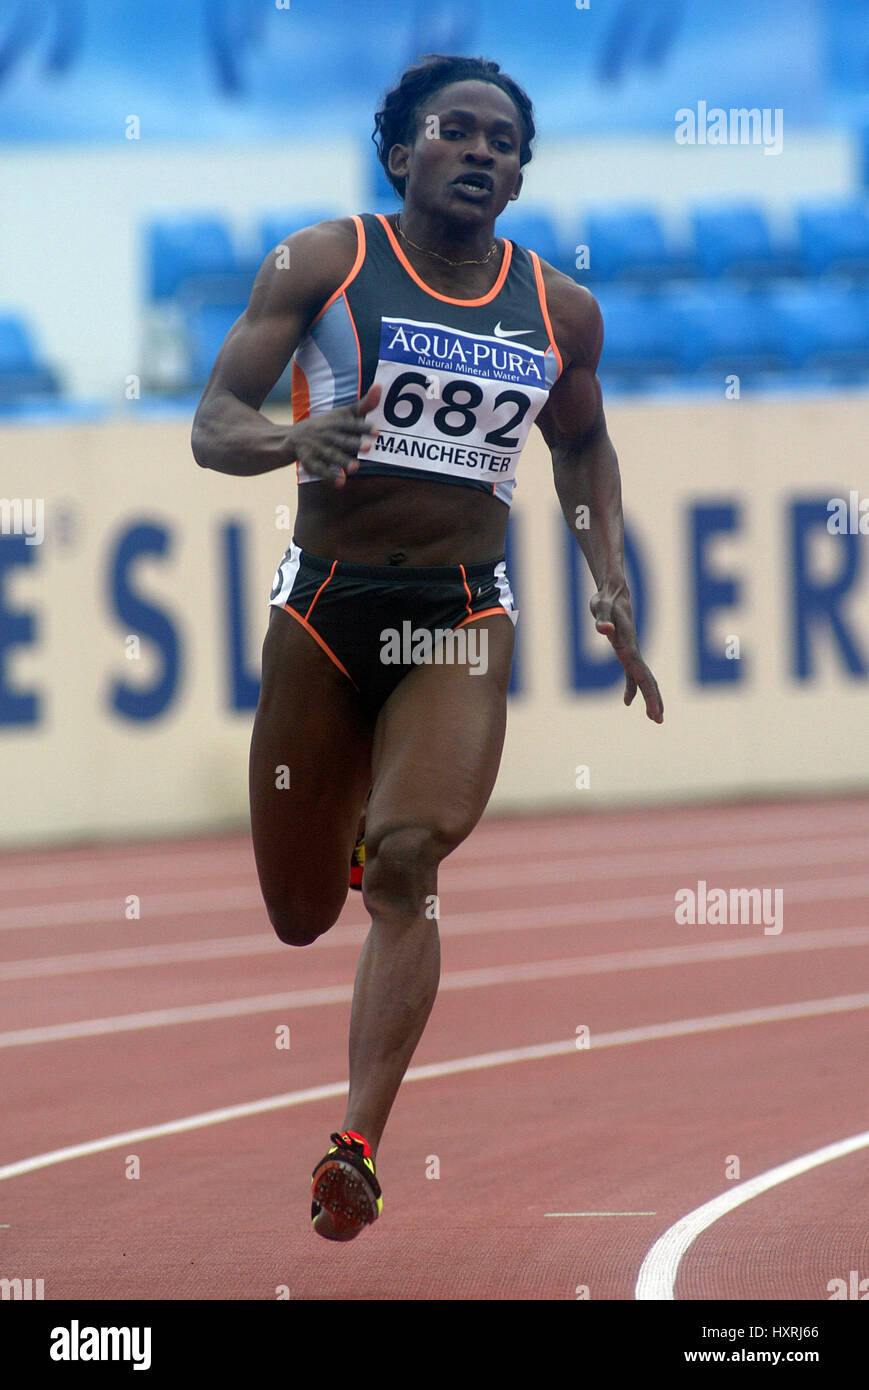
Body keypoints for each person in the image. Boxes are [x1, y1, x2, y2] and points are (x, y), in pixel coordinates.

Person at [191, 53, 663, 1242]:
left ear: (516, 176)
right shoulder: (324, 262)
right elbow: (213, 425)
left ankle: (355, 1143)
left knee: (408, 862)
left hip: (456, 611)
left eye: (503, 141)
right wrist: (285, 445)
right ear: (401, 154)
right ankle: (343, 839)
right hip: (322, 611)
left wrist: (608, 580)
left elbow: (582, 448)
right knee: (301, 913)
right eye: (454, 131)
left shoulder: (558, 311)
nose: (480, 151)